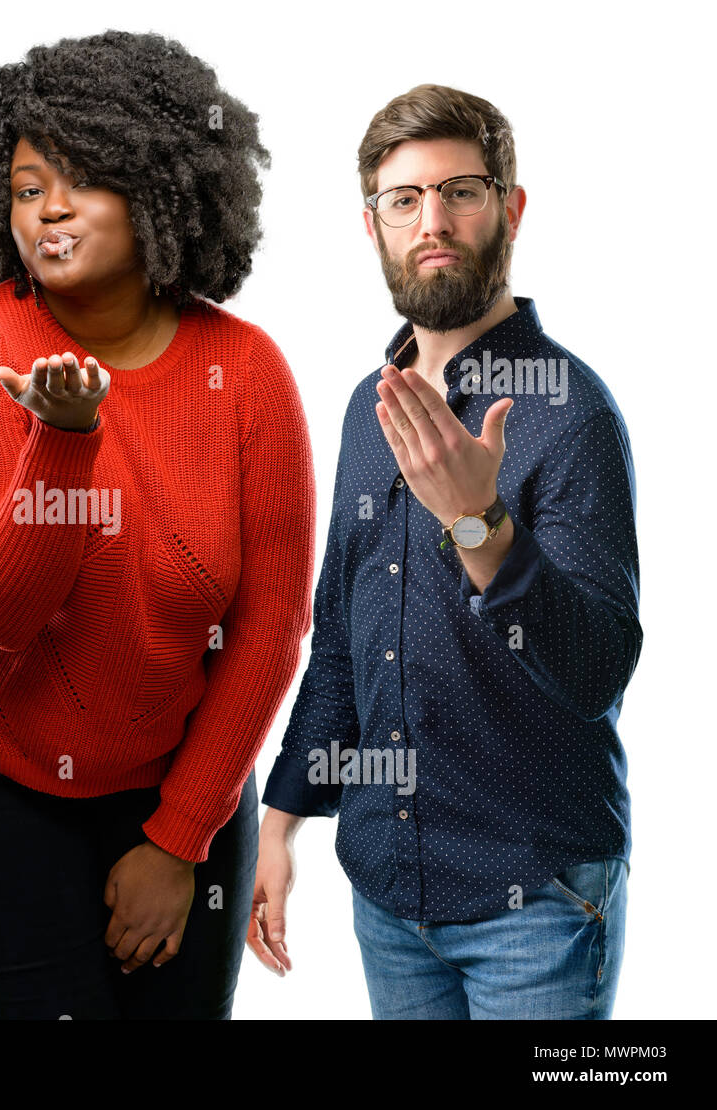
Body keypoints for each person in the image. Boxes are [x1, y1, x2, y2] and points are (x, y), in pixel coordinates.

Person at [0, 29, 316, 1019]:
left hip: (178, 764)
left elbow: (269, 629)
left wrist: (177, 840)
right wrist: (64, 439)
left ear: (159, 185)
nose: (45, 209)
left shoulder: (245, 368)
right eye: (24, 186)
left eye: (79, 180)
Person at [250, 85, 641, 1019]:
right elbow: (343, 643)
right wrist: (280, 821)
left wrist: (479, 525)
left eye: (461, 191)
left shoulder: (567, 409)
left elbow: (595, 670)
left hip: (536, 903)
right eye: (404, 199)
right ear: (373, 224)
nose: (433, 221)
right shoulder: (366, 407)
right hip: (389, 897)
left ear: (510, 207)